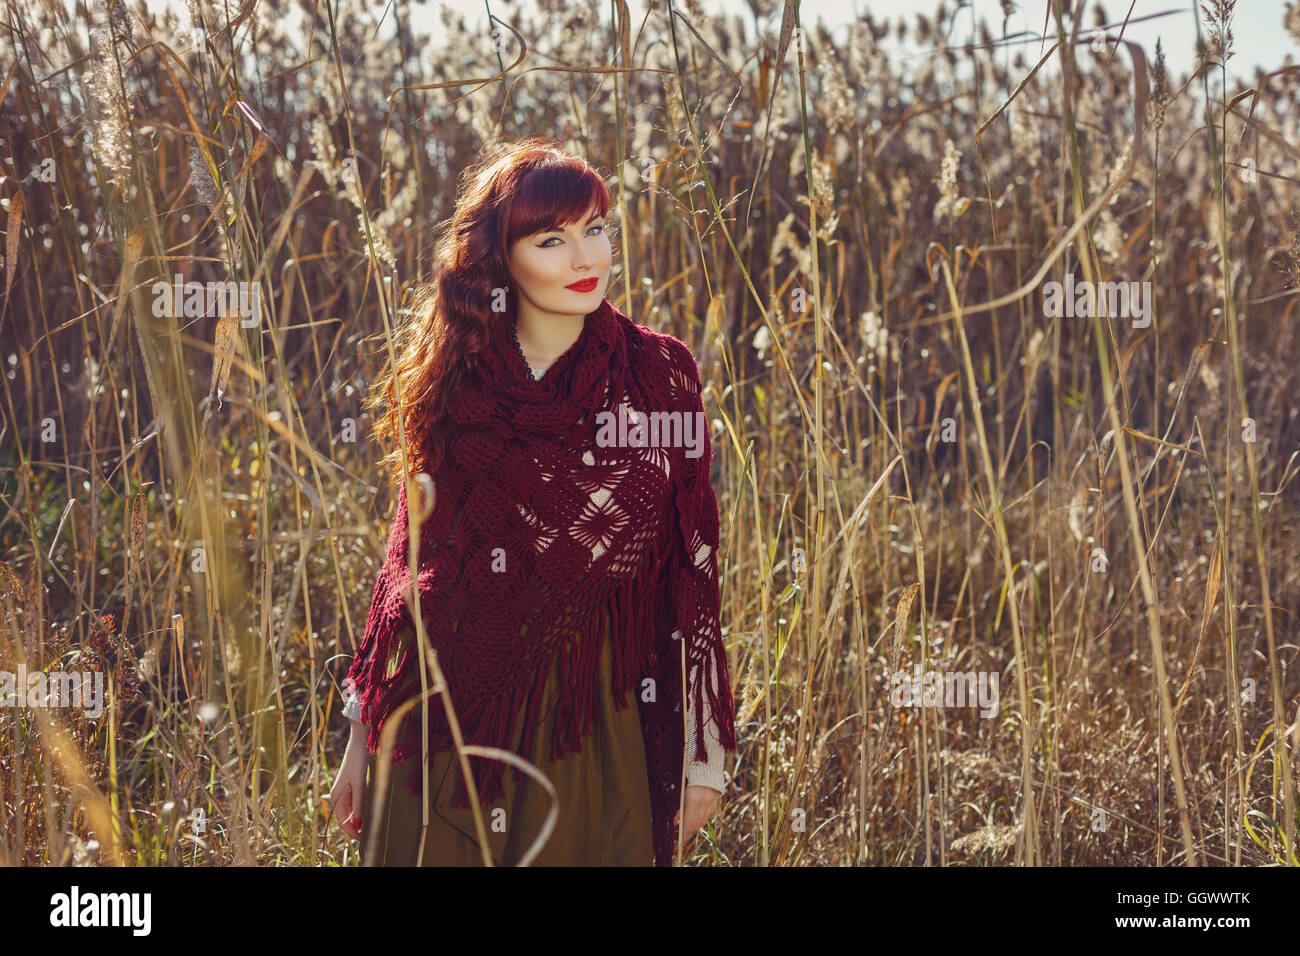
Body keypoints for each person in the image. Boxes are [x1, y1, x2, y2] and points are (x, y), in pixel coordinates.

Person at [327, 137, 737, 866]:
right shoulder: (455, 381)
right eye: (552, 239)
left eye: (595, 230)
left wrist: (702, 752)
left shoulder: (659, 374)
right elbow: (406, 567)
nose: (586, 259)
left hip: (593, 720)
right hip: (447, 723)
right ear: (500, 260)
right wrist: (363, 736)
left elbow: (689, 564)